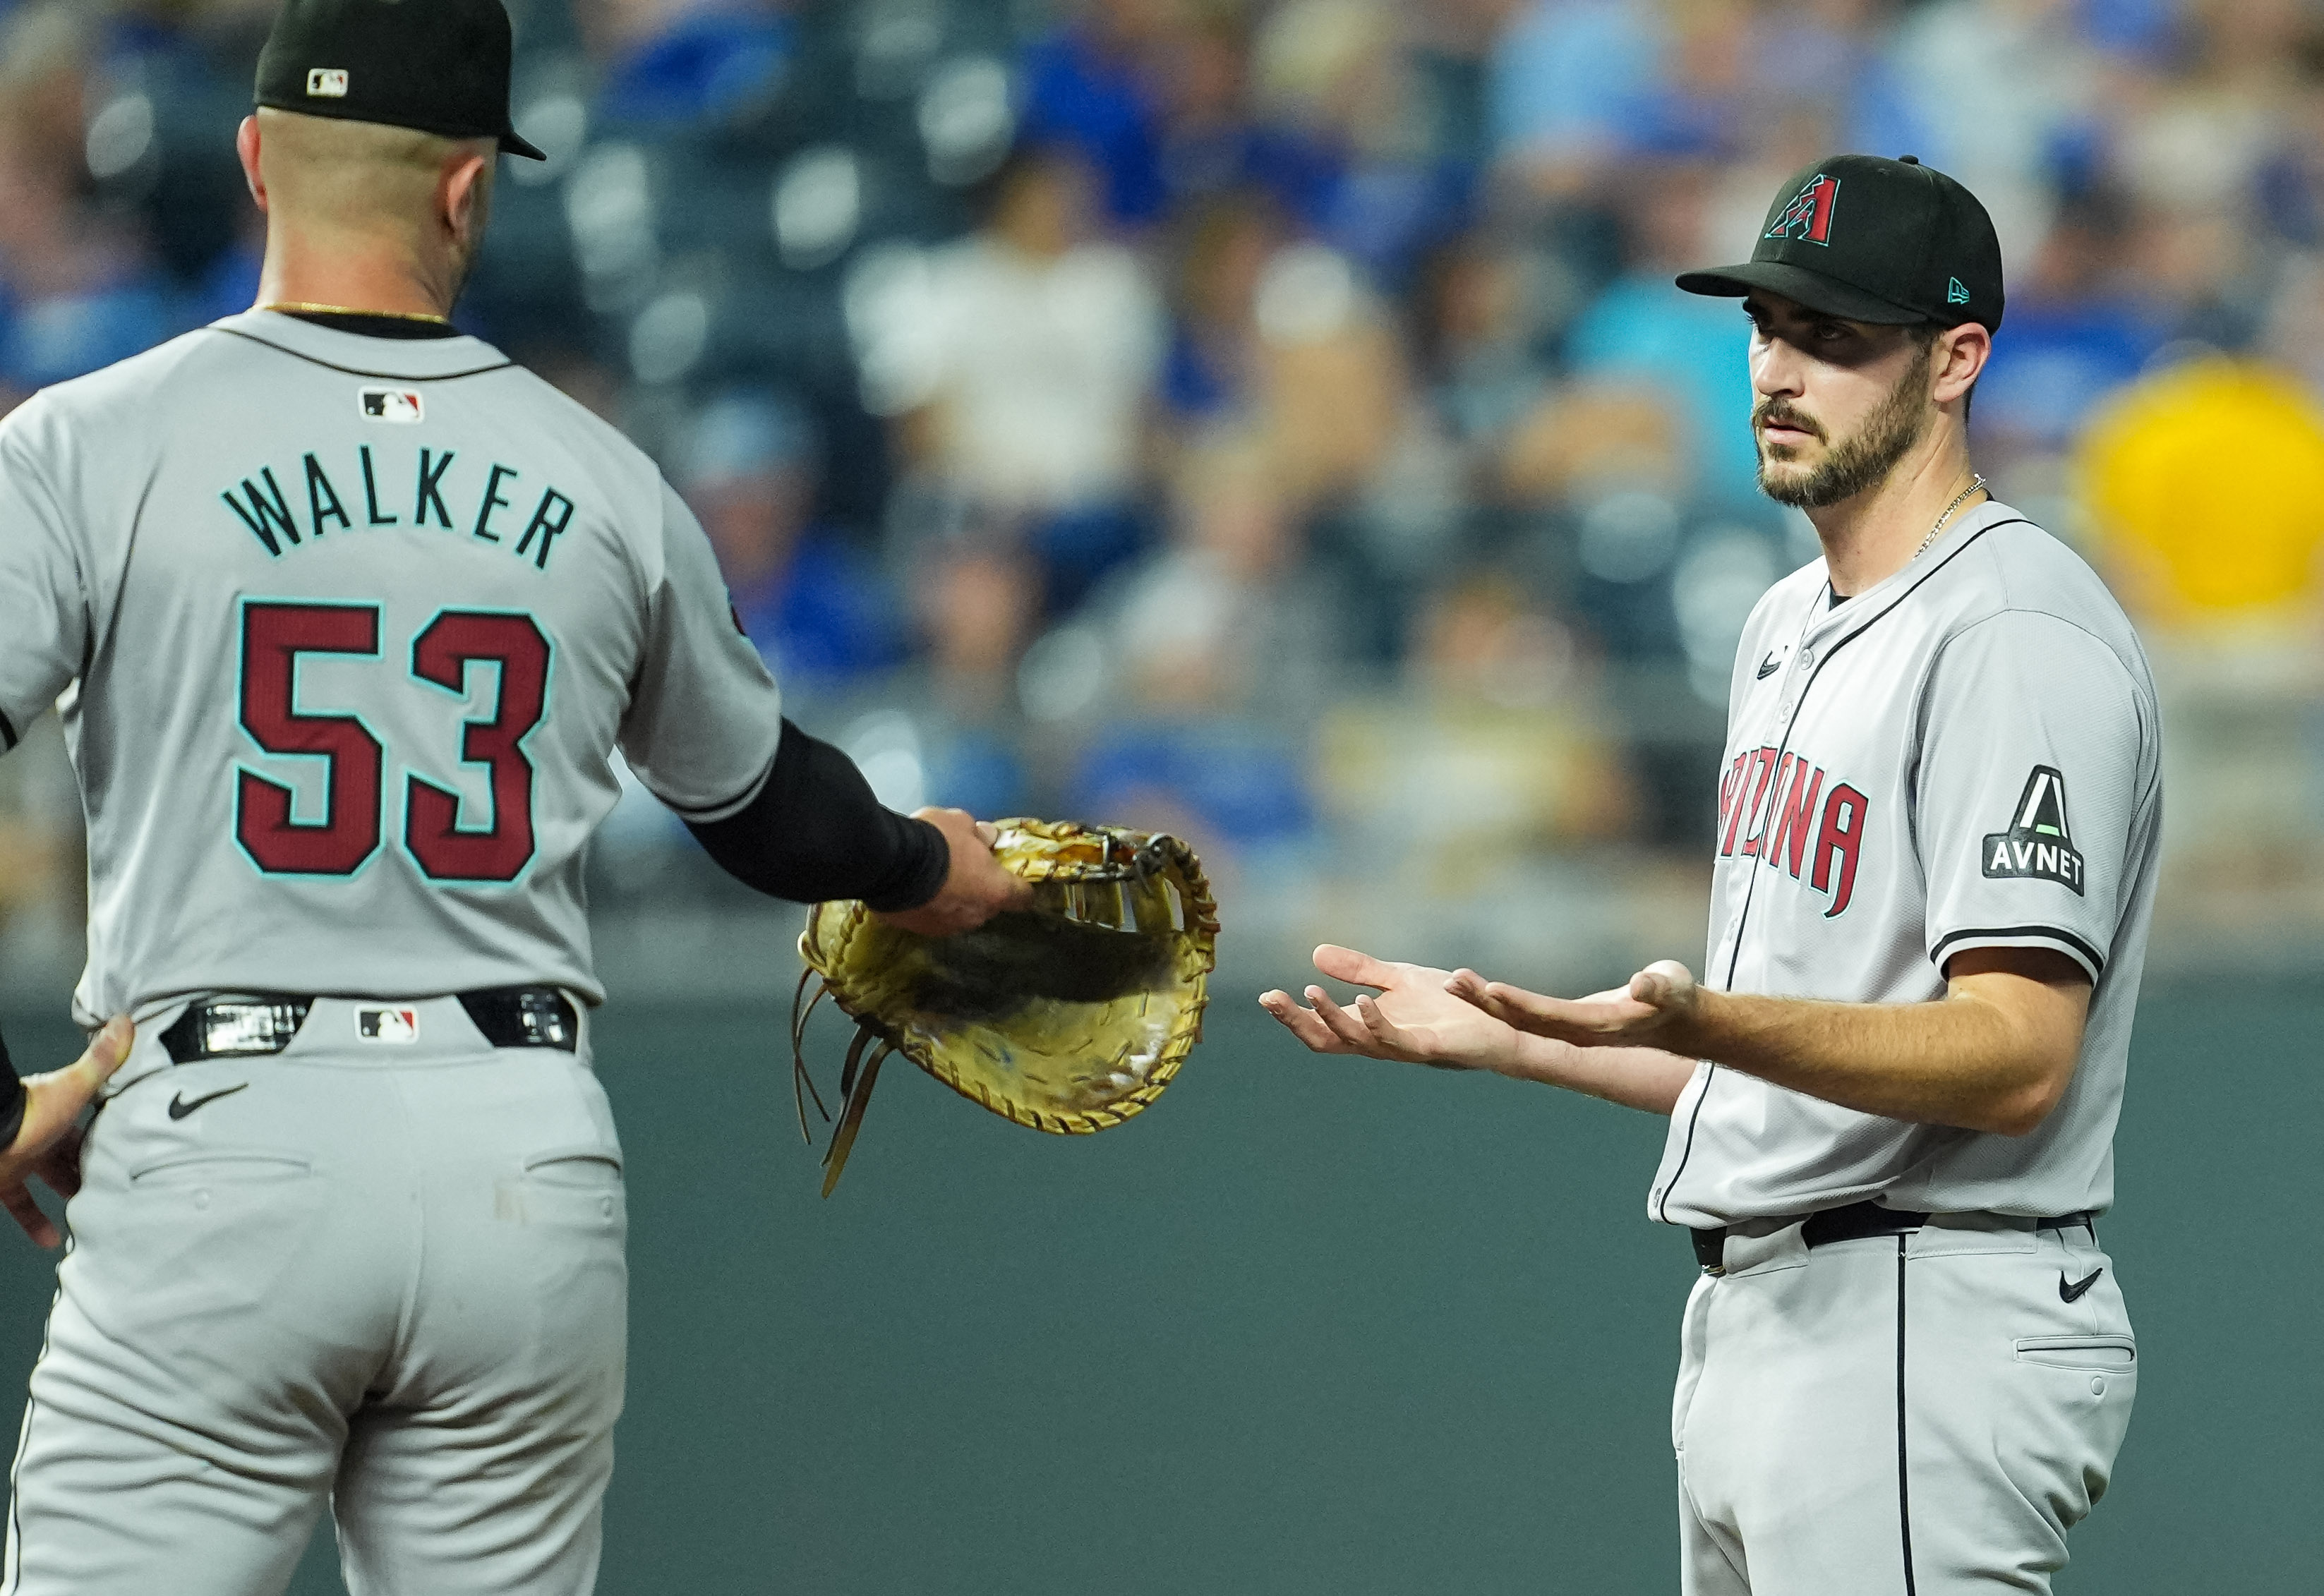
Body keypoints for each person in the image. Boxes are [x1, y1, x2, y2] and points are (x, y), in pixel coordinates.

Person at [0, 2, 1023, 1592]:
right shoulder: (601, 473)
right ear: (470, 186)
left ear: (259, 160)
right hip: (519, 1153)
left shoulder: (87, 445)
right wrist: (917, 864)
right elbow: (765, 808)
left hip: (223, 1136)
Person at [1263, 153, 2160, 1593]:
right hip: (1771, 1317)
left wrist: (1710, 1018)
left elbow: (2015, 1055)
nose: (1780, 371)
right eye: (1767, 326)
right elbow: (1784, 1057)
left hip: (1921, 1311)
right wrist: (1518, 1035)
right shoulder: (1783, 621)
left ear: (1955, 360)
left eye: (1836, 337)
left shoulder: (2010, 629)